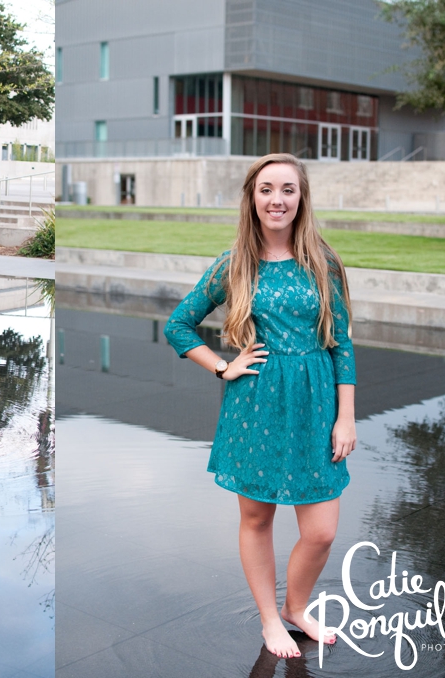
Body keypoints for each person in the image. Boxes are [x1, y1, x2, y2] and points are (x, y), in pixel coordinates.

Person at [163, 153, 357, 659]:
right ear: (252, 197)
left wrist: (346, 415)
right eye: (267, 189)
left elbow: (342, 343)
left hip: (316, 405)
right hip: (257, 404)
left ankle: (296, 607)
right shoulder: (235, 265)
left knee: (321, 531)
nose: (277, 199)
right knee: (257, 519)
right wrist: (223, 367)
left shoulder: (323, 260)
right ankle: (270, 619)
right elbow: (178, 325)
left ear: (301, 196)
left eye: (288, 189)